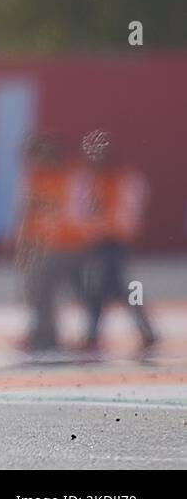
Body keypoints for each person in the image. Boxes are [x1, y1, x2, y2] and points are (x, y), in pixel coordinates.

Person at [75, 131, 157, 352]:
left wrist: (108, 228)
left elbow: (129, 210)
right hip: (99, 241)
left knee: (106, 286)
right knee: (107, 286)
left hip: (114, 240)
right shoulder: (91, 179)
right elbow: (83, 209)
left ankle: (95, 334)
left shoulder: (125, 178)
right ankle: (143, 330)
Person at [13, 134, 87, 353]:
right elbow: (27, 214)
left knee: (91, 291)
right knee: (37, 289)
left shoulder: (71, 177)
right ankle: (44, 333)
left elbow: (75, 213)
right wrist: (23, 242)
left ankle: (50, 334)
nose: (32, 163)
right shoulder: (35, 178)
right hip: (46, 246)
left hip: (71, 244)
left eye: (34, 158)